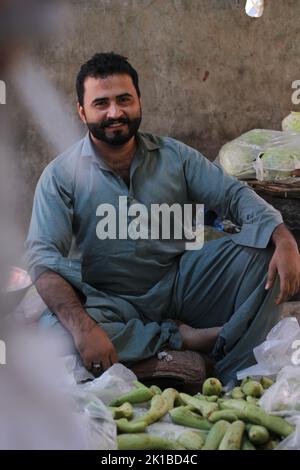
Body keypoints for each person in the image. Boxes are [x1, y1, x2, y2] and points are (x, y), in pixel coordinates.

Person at [25, 52, 300, 384]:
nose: (115, 113)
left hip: (180, 285)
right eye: (101, 104)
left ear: (139, 101)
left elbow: (232, 196)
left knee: (267, 256)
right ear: (82, 112)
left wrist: (282, 237)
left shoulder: (175, 156)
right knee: (53, 333)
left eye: (124, 99)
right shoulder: (60, 176)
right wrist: (85, 329)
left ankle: (234, 379)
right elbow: (44, 260)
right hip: (107, 300)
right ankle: (181, 343)